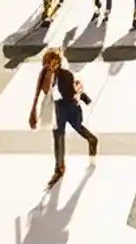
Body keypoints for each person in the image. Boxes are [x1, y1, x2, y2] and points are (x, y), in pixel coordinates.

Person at [28, 48, 98, 187]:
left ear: (58, 63)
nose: (49, 66)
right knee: (58, 138)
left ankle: (92, 141)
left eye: (51, 64)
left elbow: (74, 91)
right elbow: (37, 91)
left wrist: (83, 96)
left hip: (71, 108)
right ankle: (59, 169)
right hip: (57, 108)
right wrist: (33, 111)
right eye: (47, 64)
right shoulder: (43, 74)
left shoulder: (66, 75)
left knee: (79, 128)